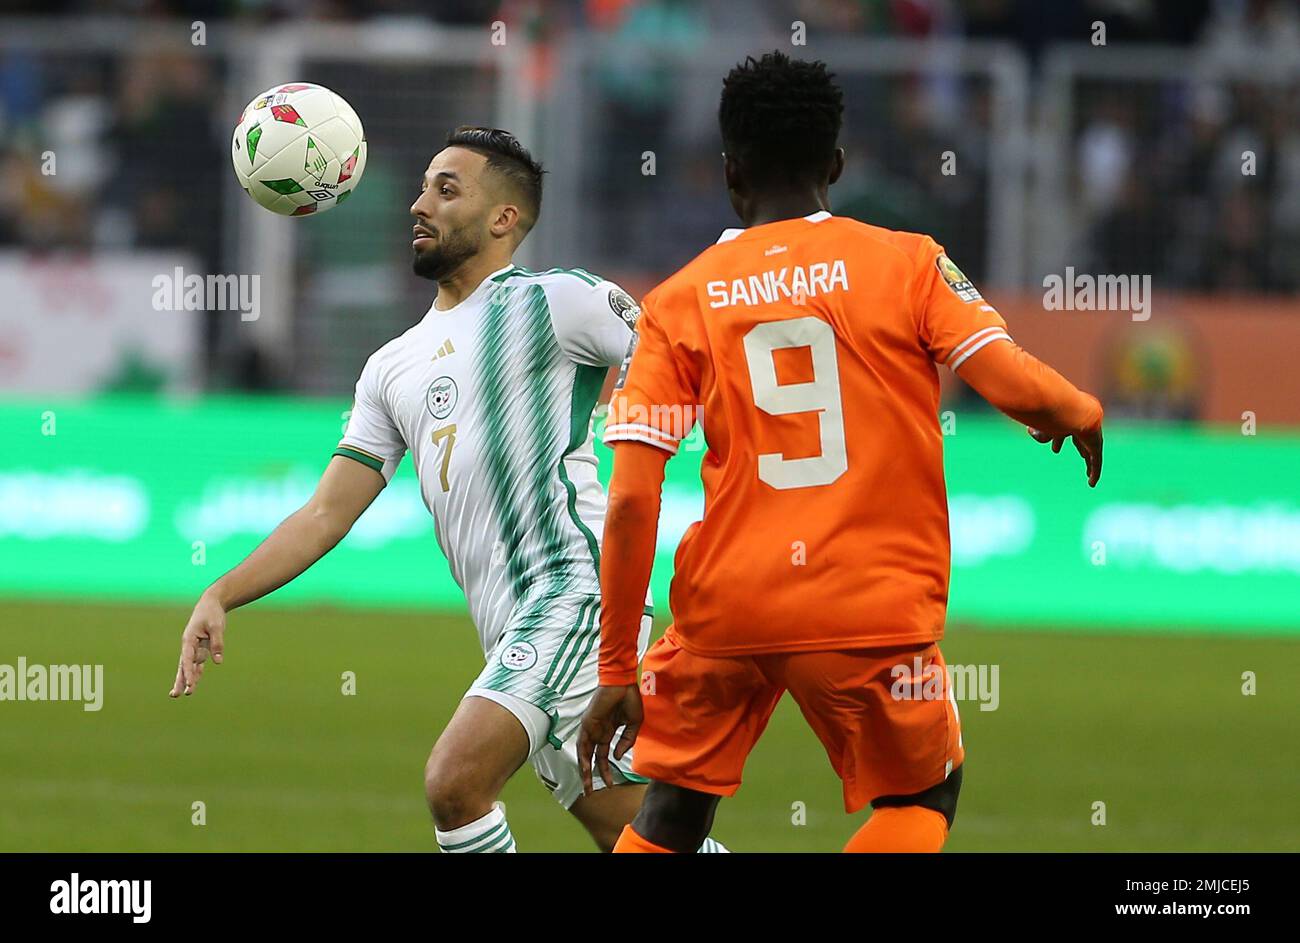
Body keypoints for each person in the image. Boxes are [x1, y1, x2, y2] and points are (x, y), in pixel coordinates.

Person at [578, 53, 1103, 853]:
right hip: (866, 604)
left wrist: (618, 664)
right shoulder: (907, 261)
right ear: (836, 165)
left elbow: (629, 498)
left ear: (729, 173)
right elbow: (1014, 385)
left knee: (673, 814)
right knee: (921, 792)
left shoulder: (677, 301)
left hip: (728, 603)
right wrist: (1079, 407)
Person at [169, 126, 726, 854]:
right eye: (424, 186)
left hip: (575, 594)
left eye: (446, 189)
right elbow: (327, 511)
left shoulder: (561, 300)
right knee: (646, 839)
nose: (418, 204)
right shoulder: (389, 366)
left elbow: (693, 362)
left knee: (454, 782)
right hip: (508, 628)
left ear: (504, 219)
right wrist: (221, 591)